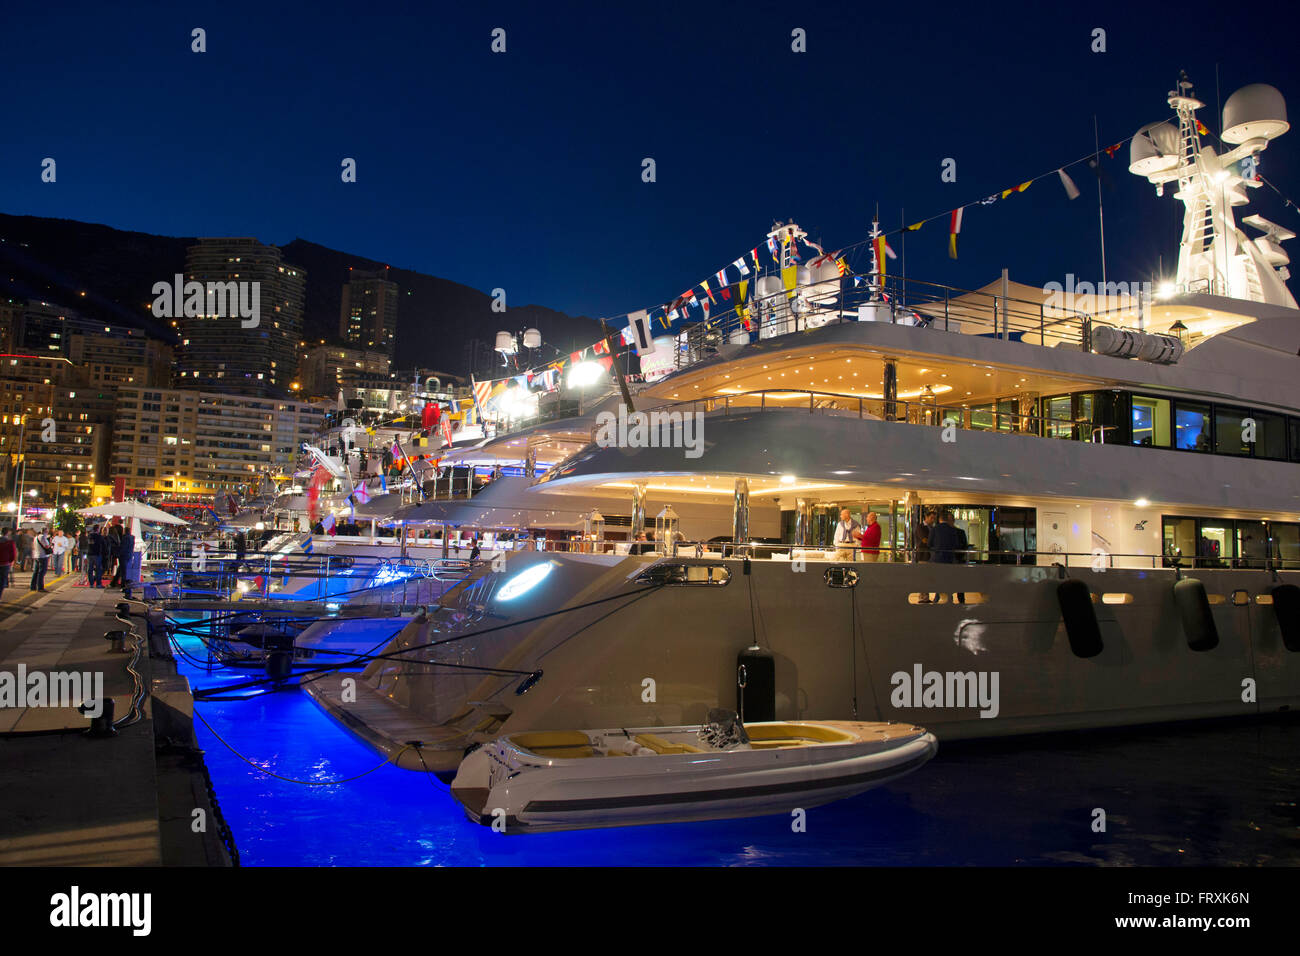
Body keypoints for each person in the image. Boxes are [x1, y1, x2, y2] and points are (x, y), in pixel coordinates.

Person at [30, 527, 53, 592]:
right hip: (43, 556)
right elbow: (46, 546)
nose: (48, 532)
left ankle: (33, 586)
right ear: (45, 531)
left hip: (37, 555)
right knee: (41, 572)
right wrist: (50, 545)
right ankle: (40, 587)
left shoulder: (36, 537)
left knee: (36, 572)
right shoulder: (42, 537)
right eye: (47, 531)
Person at [0, 528, 15, 598]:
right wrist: (10, 561)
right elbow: (13, 554)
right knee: (2, 581)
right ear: (8, 533)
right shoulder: (10, 542)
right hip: (5, 563)